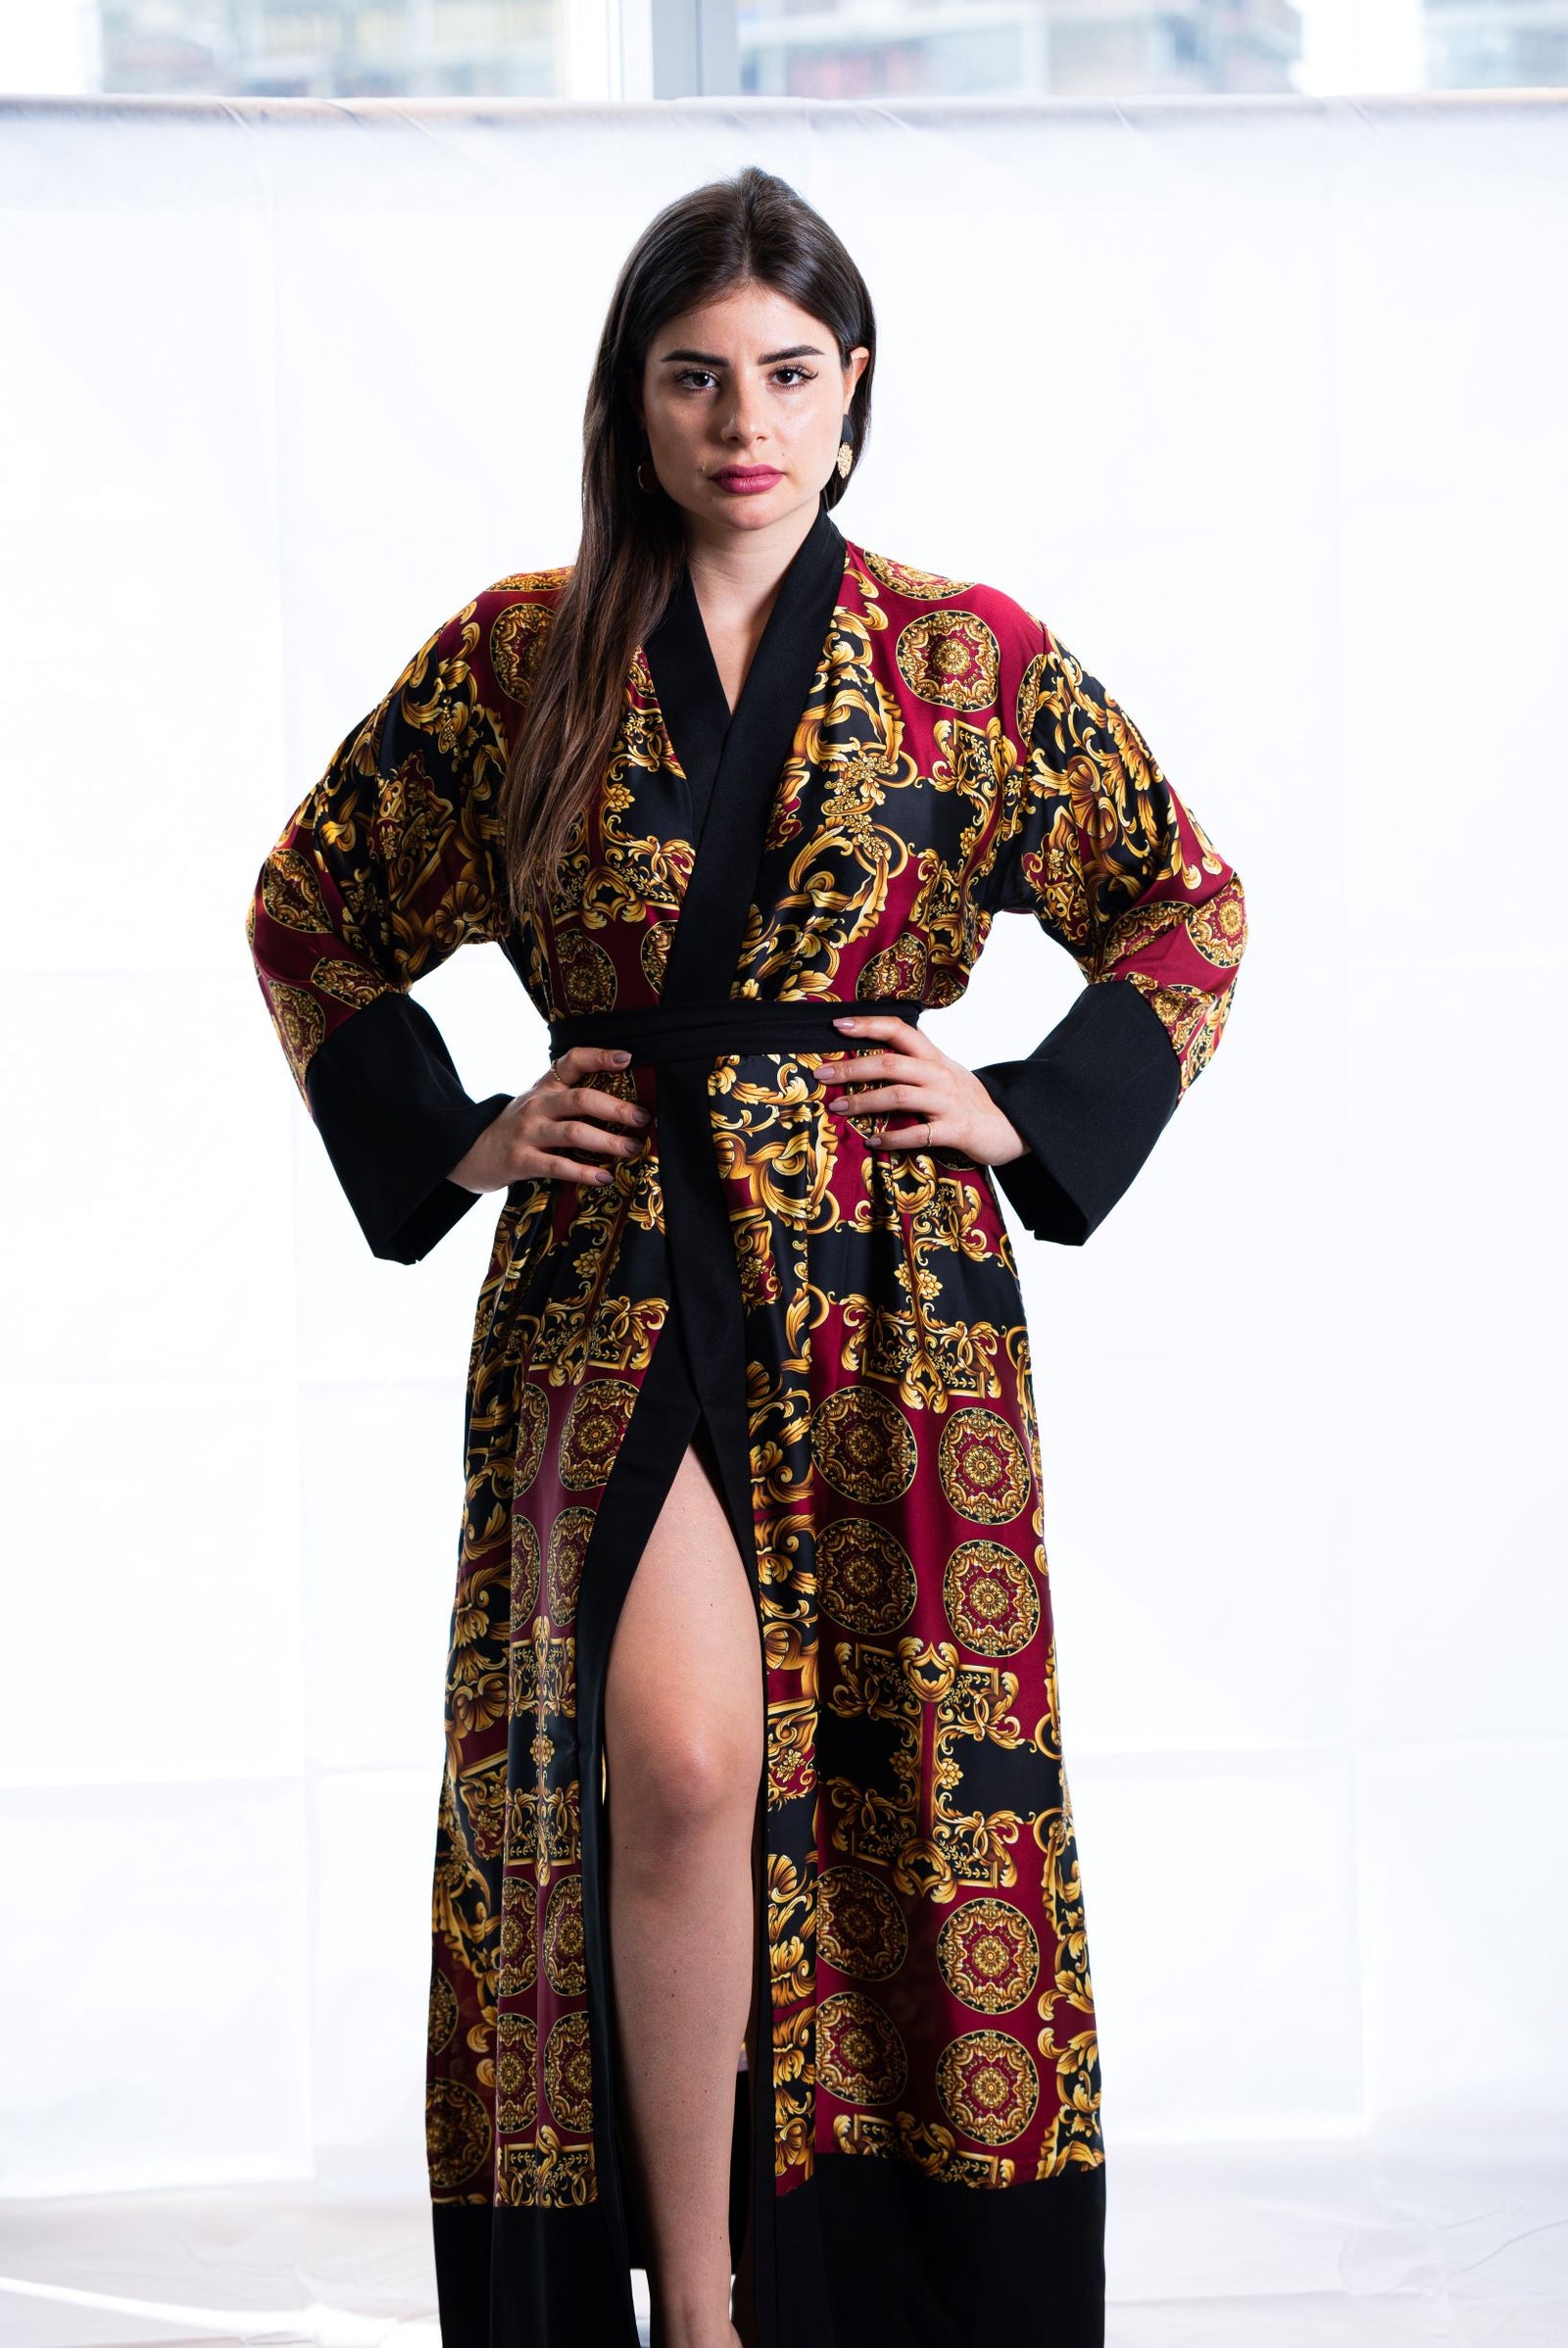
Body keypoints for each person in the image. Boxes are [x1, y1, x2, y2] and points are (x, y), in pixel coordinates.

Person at [247, 165, 1246, 2348]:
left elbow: (1185, 901)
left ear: (852, 386)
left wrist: (1025, 1104)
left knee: (899, 1794)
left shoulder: (967, 657)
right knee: (681, 1765)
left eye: (788, 374)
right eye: (695, 378)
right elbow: (308, 907)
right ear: (633, 398)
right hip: (605, 1280)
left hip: (885, 1292)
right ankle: (694, 2314)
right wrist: (461, 1133)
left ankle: (861, 2286)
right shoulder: (518, 653)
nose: (744, 422)